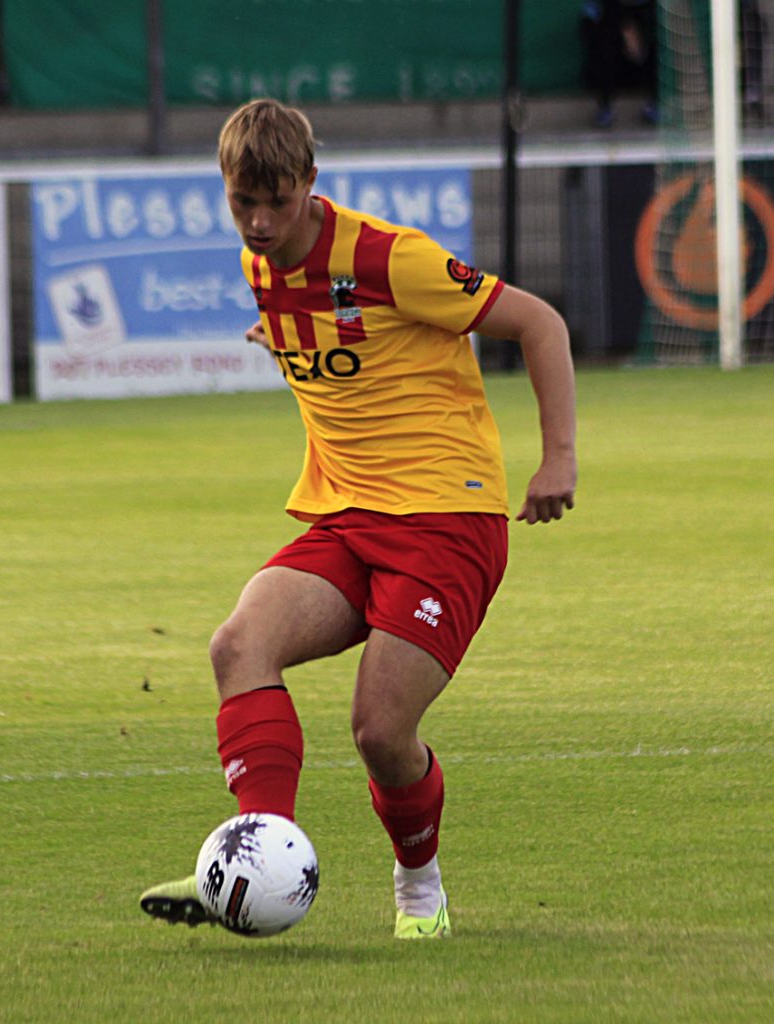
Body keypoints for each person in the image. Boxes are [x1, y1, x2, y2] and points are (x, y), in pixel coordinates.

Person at [140, 98, 577, 939]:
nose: (260, 223)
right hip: (345, 514)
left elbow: (539, 322)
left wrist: (555, 457)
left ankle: (419, 888)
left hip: (444, 519)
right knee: (237, 645)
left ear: (311, 182)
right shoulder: (257, 262)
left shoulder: (388, 258)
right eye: (243, 204)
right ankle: (252, 855)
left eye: (277, 202)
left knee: (380, 730)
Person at [581, 0, 659, 128]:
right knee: (603, 50)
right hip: (612, 14)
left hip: (643, 15)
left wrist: (636, 39)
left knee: (653, 49)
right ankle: (605, 107)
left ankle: (655, 104)